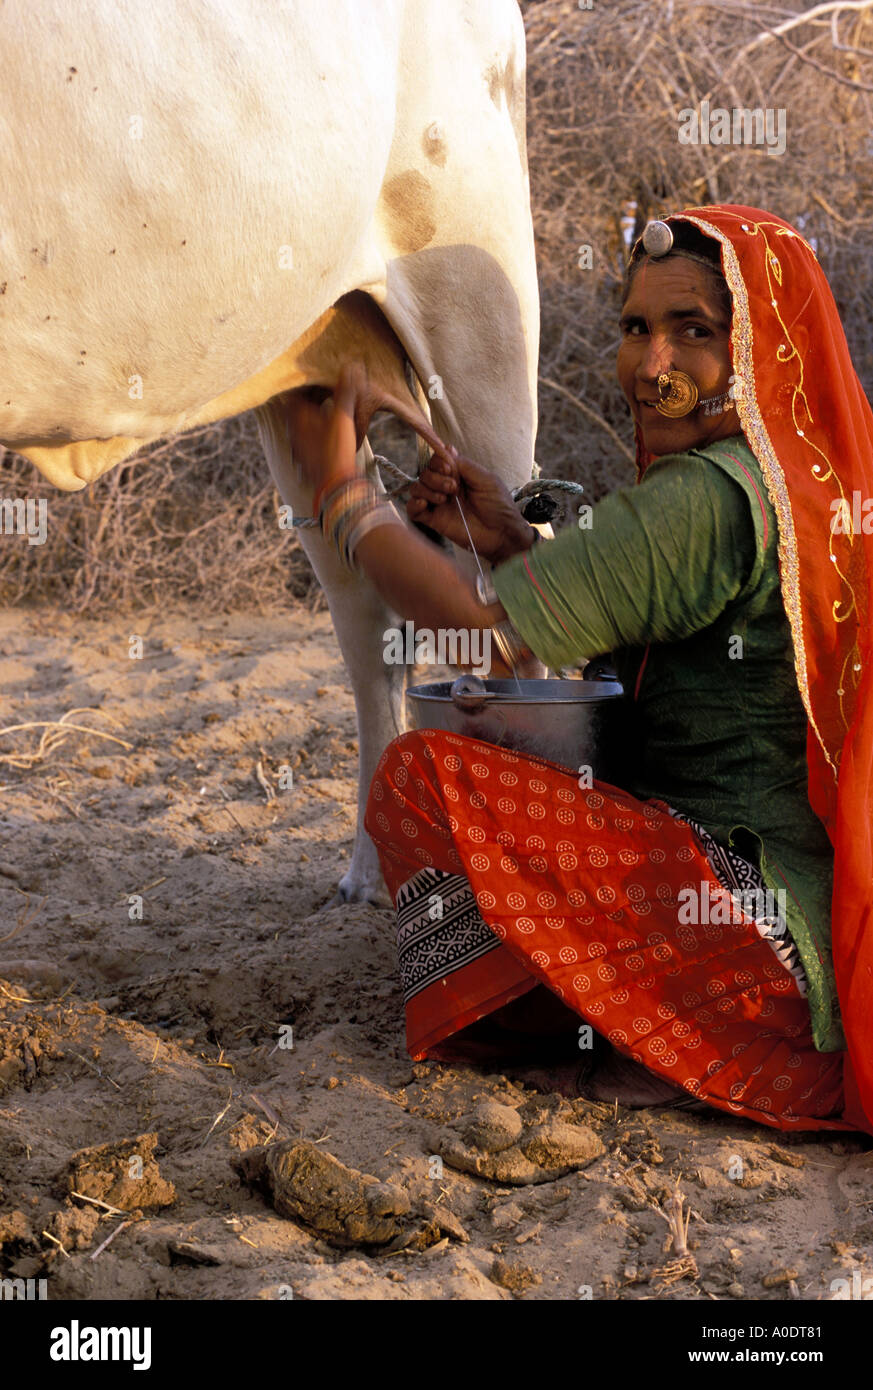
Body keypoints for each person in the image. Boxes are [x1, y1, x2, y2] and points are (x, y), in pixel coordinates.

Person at [282, 205, 873, 1135]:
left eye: (695, 333)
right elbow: (650, 617)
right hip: (796, 941)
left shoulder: (700, 499)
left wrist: (342, 497)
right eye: (635, 329)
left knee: (422, 778)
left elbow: (480, 637)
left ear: (761, 351)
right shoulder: (781, 484)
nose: (652, 366)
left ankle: (629, 1033)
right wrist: (514, 538)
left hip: (737, 950)